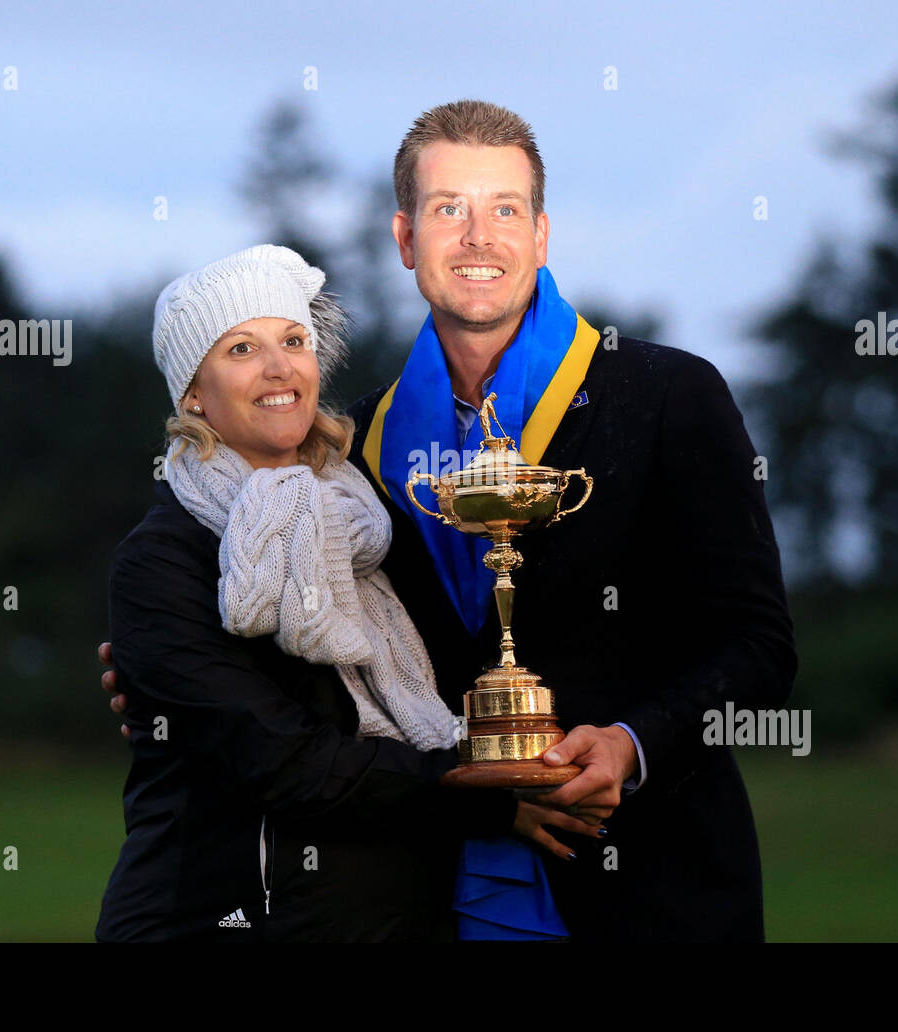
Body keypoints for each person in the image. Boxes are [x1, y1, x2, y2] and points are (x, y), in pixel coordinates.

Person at [104, 98, 798, 942]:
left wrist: (631, 743)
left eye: (505, 209)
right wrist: (154, 679)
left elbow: (758, 646)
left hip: (648, 879)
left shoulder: (670, 397)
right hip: (432, 891)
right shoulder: (354, 451)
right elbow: (301, 677)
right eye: (448, 210)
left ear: (541, 234)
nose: (479, 237)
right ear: (405, 239)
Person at [93, 243, 607, 942]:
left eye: (294, 341)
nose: (279, 367)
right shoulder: (162, 560)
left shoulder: (371, 522)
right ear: (192, 391)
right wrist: (480, 791)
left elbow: (459, 670)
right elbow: (283, 763)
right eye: (242, 349)